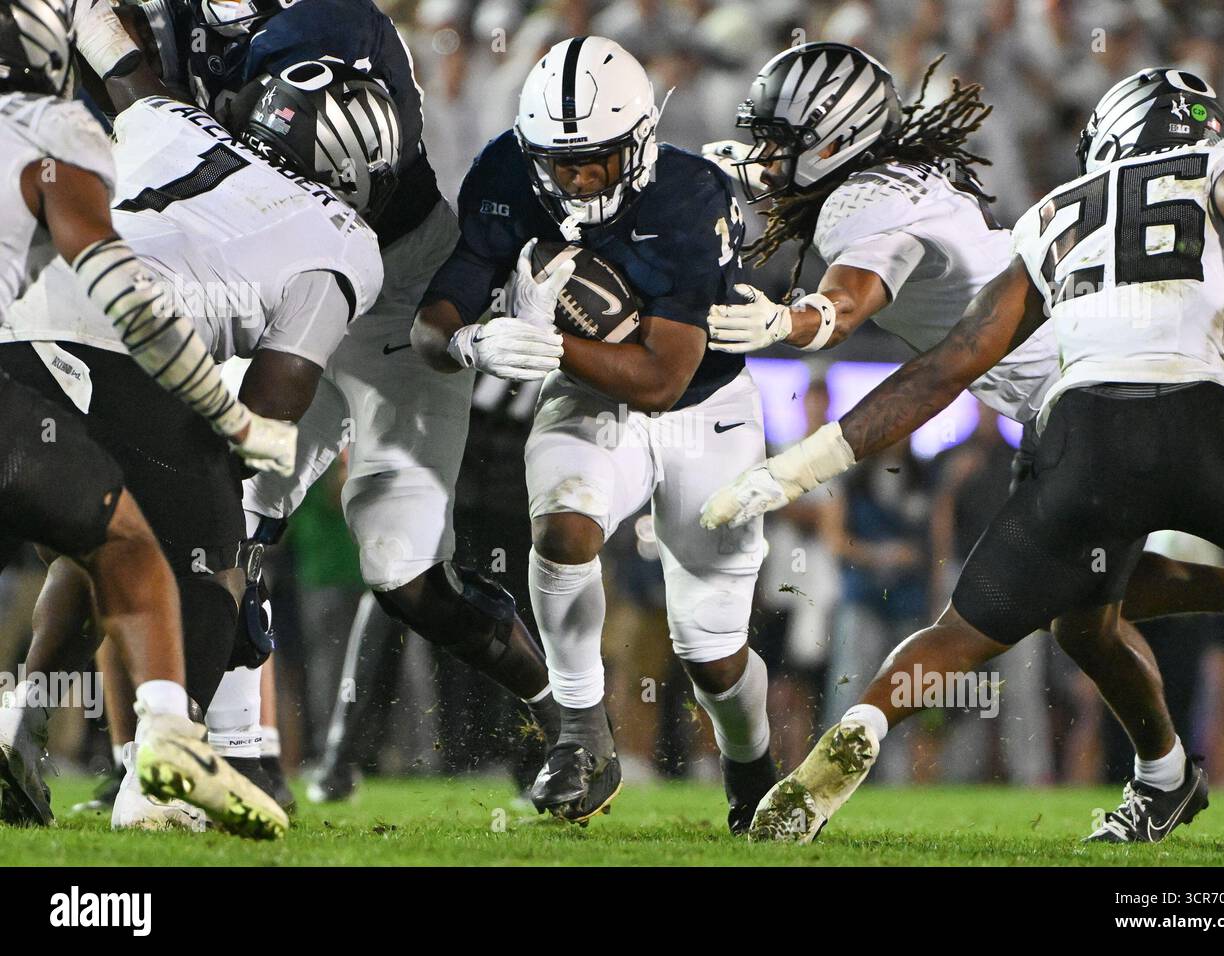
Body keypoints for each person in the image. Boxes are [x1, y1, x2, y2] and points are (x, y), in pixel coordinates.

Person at [704, 67, 1224, 843]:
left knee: (975, 628)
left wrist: (798, 465)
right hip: (1207, 427)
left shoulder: (1052, 212)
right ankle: (1175, 760)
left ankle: (829, 768)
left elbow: (949, 365)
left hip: (1079, 437)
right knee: (1083, 622)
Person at [103, 0, 563, 771]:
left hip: (381, 281)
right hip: (285, 275)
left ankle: (567, 718)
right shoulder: (171, 24)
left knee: (399, 567)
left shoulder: (330, 27)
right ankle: (239, 756)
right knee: (230, 513)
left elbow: (332, 173)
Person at [1, 30, 392, 827]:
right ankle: (156, 783)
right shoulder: (345, 238)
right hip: (132, 337)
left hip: (24, 305)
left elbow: (123, 75)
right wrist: (224, 483)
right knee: (215, 560)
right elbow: (278, 396)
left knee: (106, 531)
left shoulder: (168, 119)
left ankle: (21, 730)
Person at [413, 35, 776, 832]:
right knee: (564, 529)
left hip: (703, 413)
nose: (575, 177)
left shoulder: (689, 195)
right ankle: (580, 733)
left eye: (596, 161)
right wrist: (469, 342)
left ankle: (751, 767)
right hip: (585, 399)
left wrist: (546, 341)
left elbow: (661, 378)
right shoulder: (506, 173)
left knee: (710, 651)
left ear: (640, 143)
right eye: (560, 160)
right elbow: (434, 317)